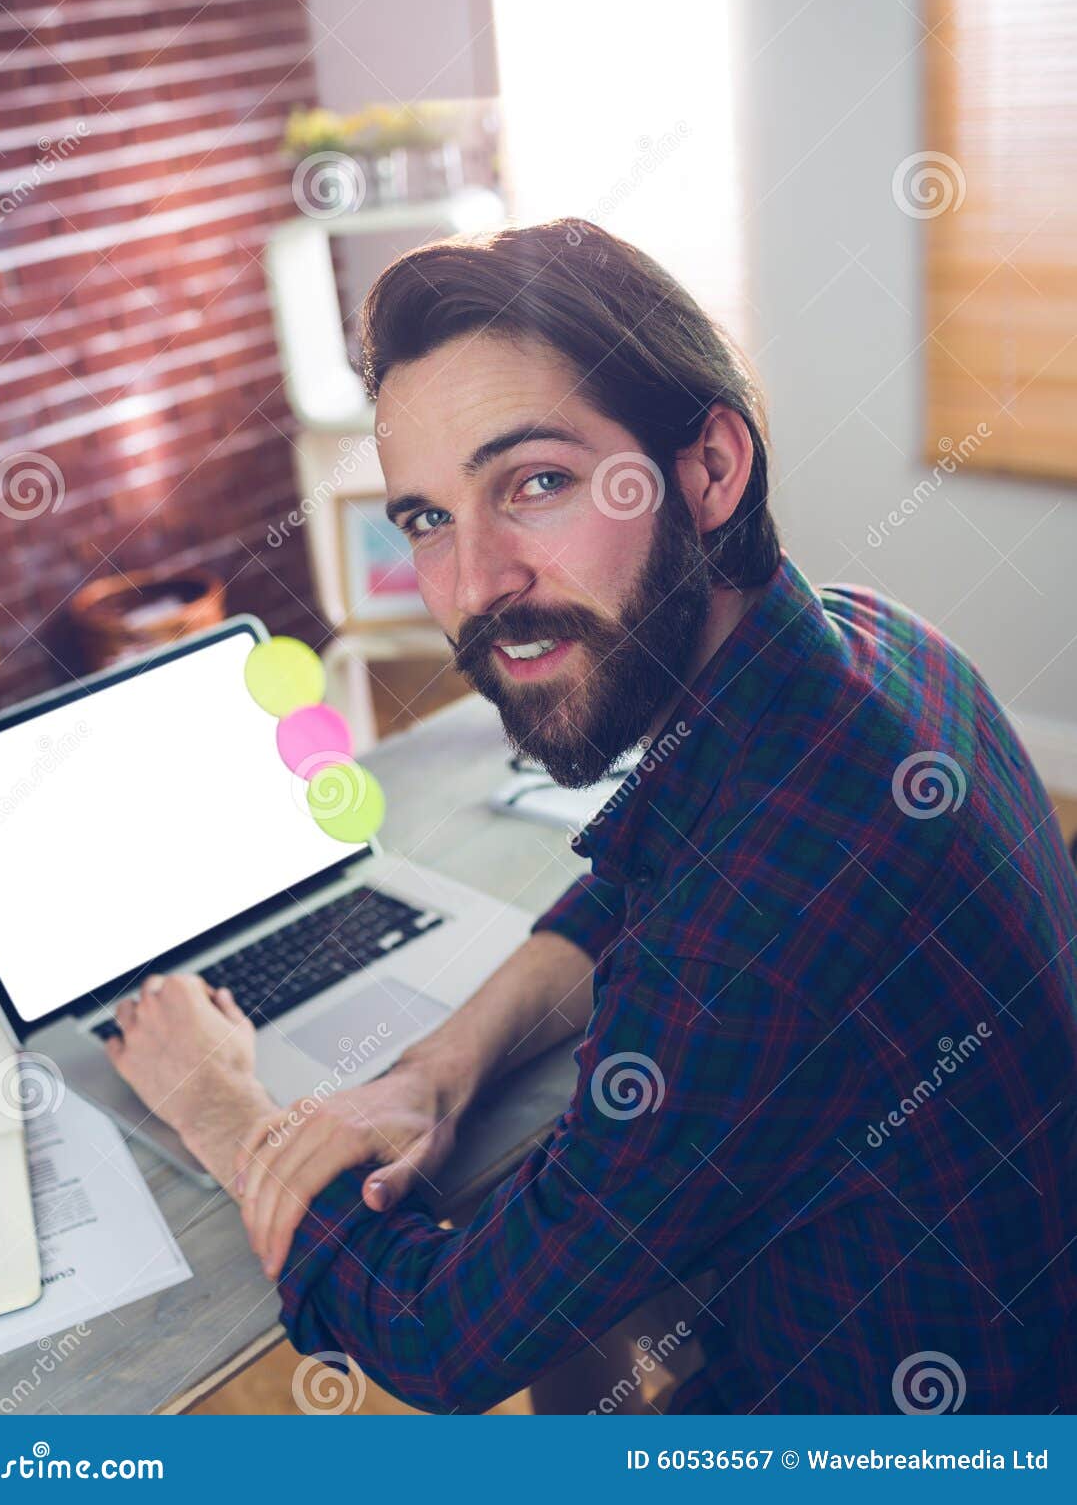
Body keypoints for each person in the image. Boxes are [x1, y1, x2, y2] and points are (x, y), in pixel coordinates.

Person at [108, 219, 1077, 1414]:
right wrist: (434, 1070)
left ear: (711, 468)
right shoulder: (873, 640)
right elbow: (637, 875)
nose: (477, 583)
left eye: (538, 483)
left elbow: (444, 1335)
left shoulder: (759, 918)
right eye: (426, 518)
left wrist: (221, 1105)